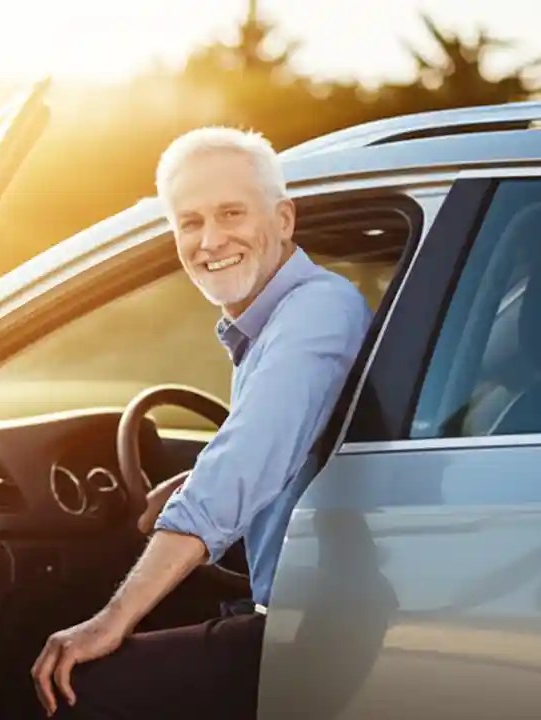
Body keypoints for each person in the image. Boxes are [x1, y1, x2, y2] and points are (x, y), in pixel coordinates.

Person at [30, 127, 372, 718]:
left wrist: (111, 620)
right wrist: (191, 485)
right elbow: (283, 450)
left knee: (80, 686)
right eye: (189, 223)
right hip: (300, 614)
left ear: (284, 220)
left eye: (232, 213)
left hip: (320, 632)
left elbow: (245, 461)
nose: (211, 241)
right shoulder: (275, 323)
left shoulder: (318, 309)